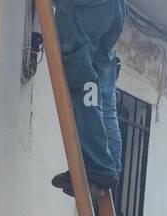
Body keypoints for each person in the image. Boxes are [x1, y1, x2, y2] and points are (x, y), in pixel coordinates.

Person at [50, 0, 127, 198]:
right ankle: (109, 165)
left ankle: (97, 164)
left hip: (86, 8)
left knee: (82, 81)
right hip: (114, 8)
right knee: (102, 85)